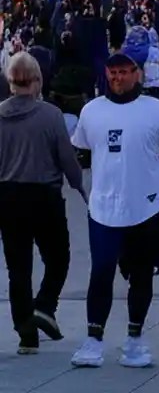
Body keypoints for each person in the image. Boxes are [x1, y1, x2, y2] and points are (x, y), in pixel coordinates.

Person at [70, 39, 159, 368]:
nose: (118, 78)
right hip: (104, 208)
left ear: (137, 74)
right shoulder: (92, 111)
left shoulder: (157, 111)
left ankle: (134, 340)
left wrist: (151, 179)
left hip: (147, 208)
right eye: (113, 73)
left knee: (141, 275)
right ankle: (93, 339)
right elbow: (81, 151)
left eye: (124, 72)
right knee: (102, 271)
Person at [0, 52, 85, 354]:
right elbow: (67, 160)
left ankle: (26, 335)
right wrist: (80, 187)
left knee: (18, 269)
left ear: (10, 81)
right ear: (37, 80)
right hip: (44, 197)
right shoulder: (50, 115)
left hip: (8, 197)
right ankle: (45, 305)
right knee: (58, 257)